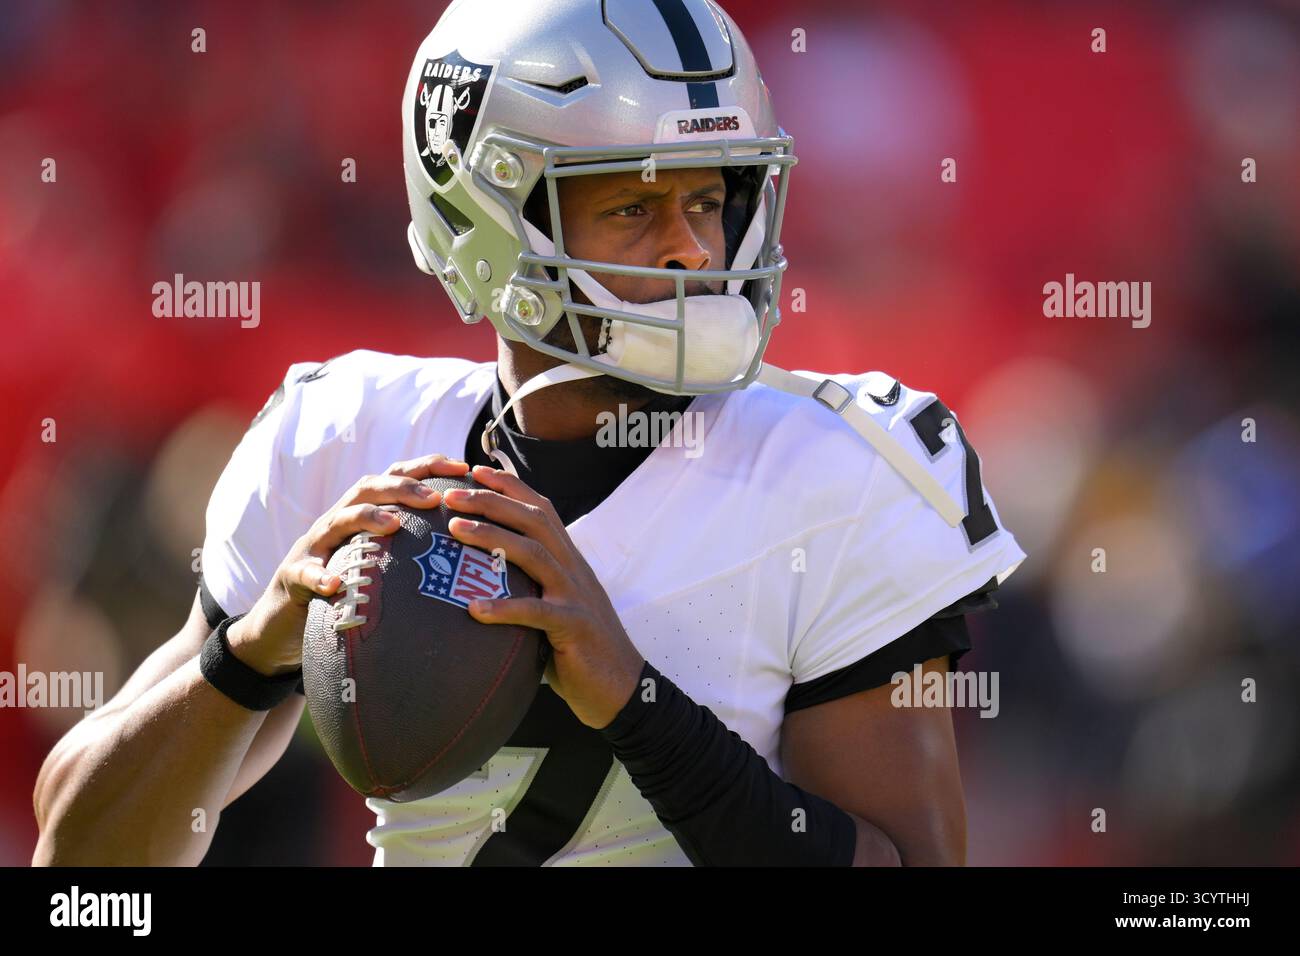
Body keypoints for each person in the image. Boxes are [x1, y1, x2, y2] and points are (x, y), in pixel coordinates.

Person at [33, 0, 1025, 867]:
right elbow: (82, 861)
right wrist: (247, 658)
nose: (692, 245)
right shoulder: (345, 437)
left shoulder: (834, 472)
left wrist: (637, 705)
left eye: (709, 196)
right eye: (632, 204)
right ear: (488, 212)